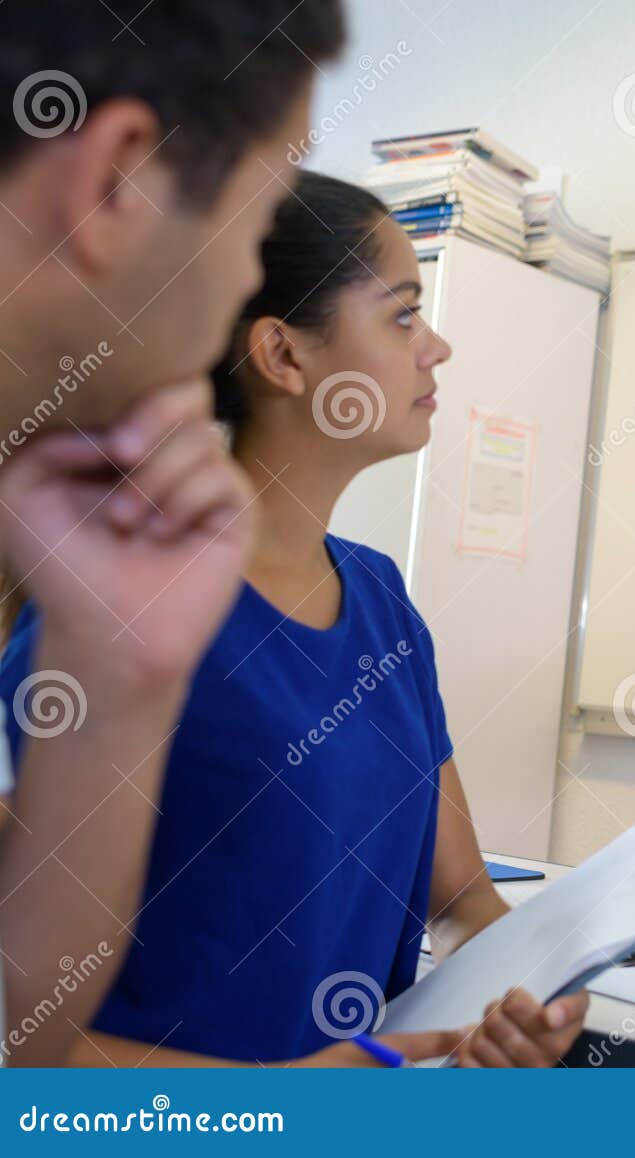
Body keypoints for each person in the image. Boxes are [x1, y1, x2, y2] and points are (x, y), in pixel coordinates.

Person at [1, 171, 589, 1066]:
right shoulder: (112, 625)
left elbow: (462, 901)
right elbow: (25, 1046)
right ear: (283, 355)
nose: (438, 347)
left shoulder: (382, 604)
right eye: (401, 315)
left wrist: (517, 996)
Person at [0, 0, 471, 1068]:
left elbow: (18, 1035)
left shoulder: (106, 584)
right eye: (259, 207)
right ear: (116, 178)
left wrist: (117, 680)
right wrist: (298, 1102)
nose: (243, 270)